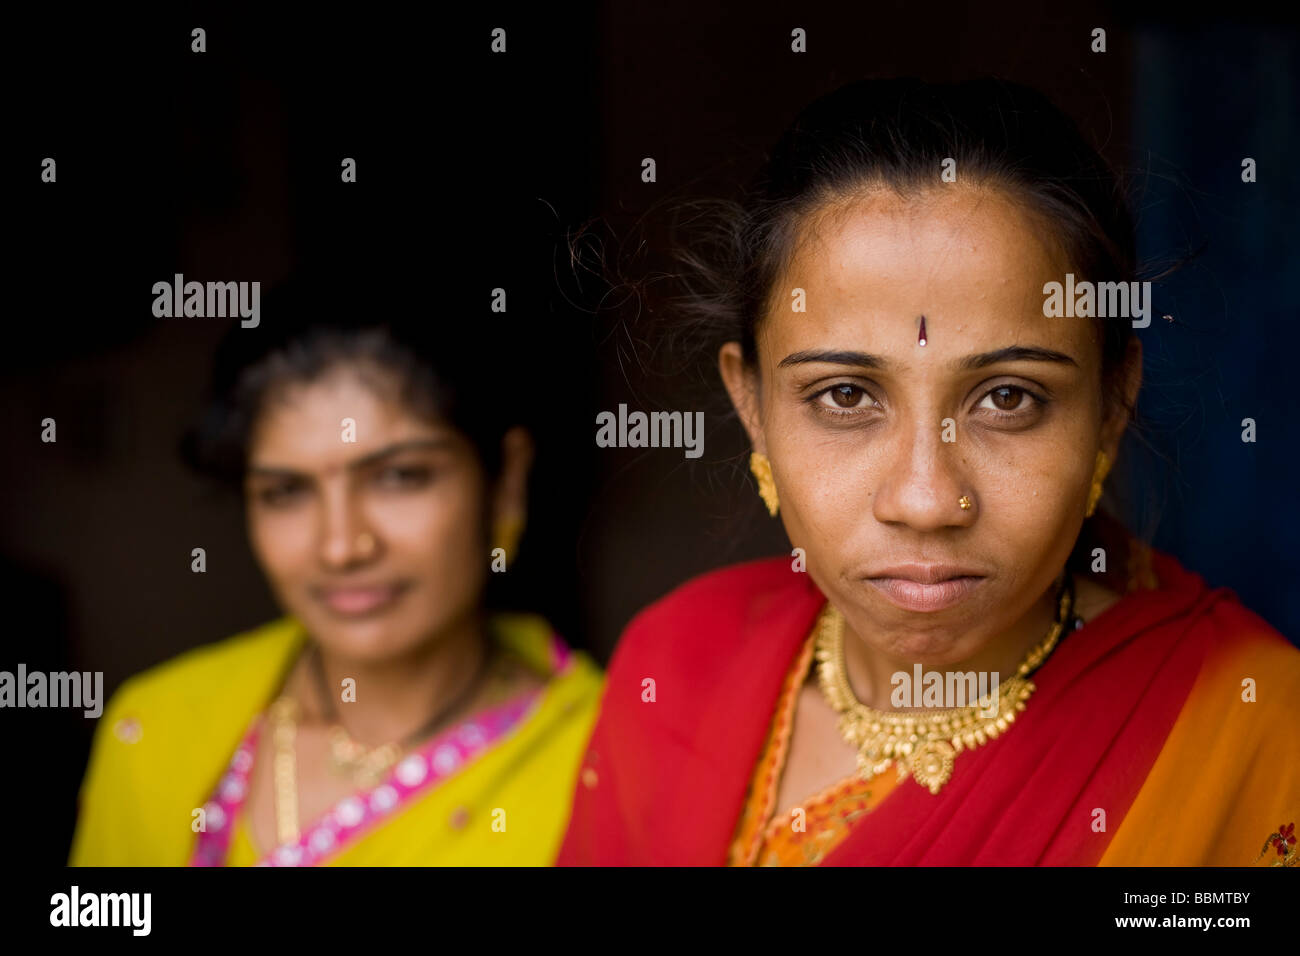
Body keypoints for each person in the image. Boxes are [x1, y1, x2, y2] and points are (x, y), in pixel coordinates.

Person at [556, 77, 1300, 866]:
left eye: (1008, 398)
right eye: (845, 395)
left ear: (1112, 405)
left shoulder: (1252, 728)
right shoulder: (676, 665)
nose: (926, 500)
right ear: (752, 404)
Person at [70, 270, 603, 865]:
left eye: (400, 477)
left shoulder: (607, 765)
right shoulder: (155, 728)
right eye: (287, 492)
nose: (341, 546)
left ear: (505, 482)